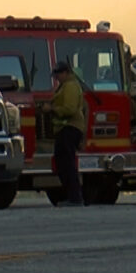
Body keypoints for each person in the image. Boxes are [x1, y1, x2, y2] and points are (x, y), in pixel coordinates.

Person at [50, 60, 88, 206]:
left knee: (67, 164)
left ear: (65, 73)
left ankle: (75, 198)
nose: (56, 78)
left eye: (58, 74)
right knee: (63, 163)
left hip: (69, 129)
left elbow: (70, 109)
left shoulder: (70, 86)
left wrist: (52, 109)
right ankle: (72, 196)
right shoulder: (65, 86)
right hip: (64, 130)